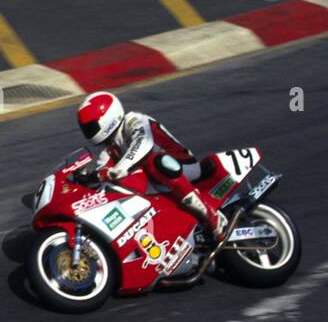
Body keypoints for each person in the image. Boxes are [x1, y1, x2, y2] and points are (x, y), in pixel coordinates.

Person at [76, 91, 228, 242]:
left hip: (182, 166)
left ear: (107, 118)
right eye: (86, 129)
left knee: (154, 161)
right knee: (114, 188)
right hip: (156, 181)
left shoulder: (134, 120)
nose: (89, 132)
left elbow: (143, 144)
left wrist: (116, 170)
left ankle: (210, 214)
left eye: (91, 127)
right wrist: (86, 180)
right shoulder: (108, 150)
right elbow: (102, 172)